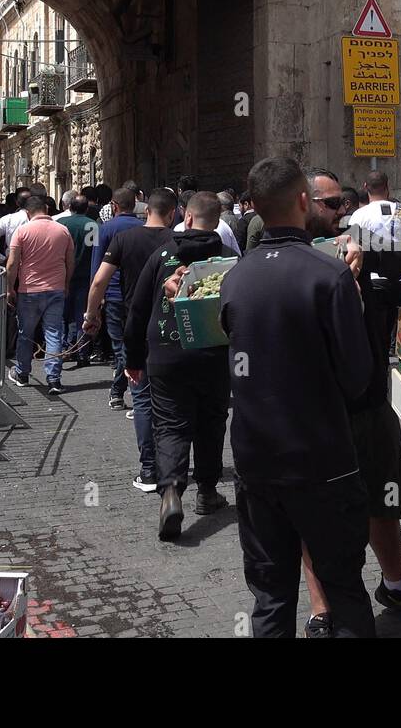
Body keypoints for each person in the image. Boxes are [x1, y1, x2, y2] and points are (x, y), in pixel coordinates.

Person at [220, 156, 376, 638]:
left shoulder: (235, 278)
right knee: (345, 588)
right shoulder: (329, 277)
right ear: (303, 201)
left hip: (257, 461)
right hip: (321, 460)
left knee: (270, 597)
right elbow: (358, 377)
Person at [298, 170, 401, 636]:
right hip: (315, 411)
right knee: (315, 510)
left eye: (344, 204)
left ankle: (394, 586)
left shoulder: (358, 248)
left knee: (384, 496)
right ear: (304, 203)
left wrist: (362, 262)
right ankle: (321, 607)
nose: (342, 212)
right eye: (332, 204)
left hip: (369, 404)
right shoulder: (283, 260)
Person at [124, 191, 236, 539]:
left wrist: (133, 358)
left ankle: (171, 490)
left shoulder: (161, 256)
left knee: (170, 425)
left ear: (186, 217)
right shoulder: (230, 258)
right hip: (214, 356)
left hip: (166, 355)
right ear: (217, 221)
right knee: (211, 420)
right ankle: (206, 490)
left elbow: (137, 310)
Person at [84, 189, 176, 490]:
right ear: (172, 213)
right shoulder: (176, 242)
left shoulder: (124, 240)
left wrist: (90, 315)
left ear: (145, 210)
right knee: (171, 401)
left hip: (134, 326)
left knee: (141, 398)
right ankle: (175, 467)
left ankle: (149, 470)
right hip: (170, 329)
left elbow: (100, 280)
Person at [5, 195, 74, 394]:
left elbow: (12, 264)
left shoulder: (22, 231)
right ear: (46, 209)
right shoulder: (62, 230)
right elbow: (70, 261)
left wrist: (10, 288)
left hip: (29, 290)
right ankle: (54, 379)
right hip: (56, 289)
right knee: (54, 333)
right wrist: (66, 283)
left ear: (27, 212)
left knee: (25, 333)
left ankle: (23, 373)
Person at [84, 188, 142, 411]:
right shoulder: (143, 228)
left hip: (115, 295)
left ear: (114, 206)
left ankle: (123, 391)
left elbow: (97, 269)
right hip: (139, 295)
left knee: (120, 347)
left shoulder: (105, 229)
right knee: (131, 344)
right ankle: (121, 390)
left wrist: (94, 303)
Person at [348, 170, 401, 352]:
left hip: (372, 282)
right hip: (400, 282)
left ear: (365, 187)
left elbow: (353, 251)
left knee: (373, 335)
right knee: (393, 335)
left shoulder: (359, 215)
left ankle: (380, 369)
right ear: (388, 187)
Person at [56, 195, 97, 370]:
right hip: (86, 276)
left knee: (63, 315)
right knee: (83, 314)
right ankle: (82, 352)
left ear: (70, 207)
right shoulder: (94, 225)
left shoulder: (62, 223)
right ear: (86, 208)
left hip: (64, 275)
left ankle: (65, 348)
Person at [0, 185, 33, 262]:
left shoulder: (8, 219)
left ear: (17, 203)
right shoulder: (40, 219)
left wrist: (0, 259)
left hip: (12, 261)